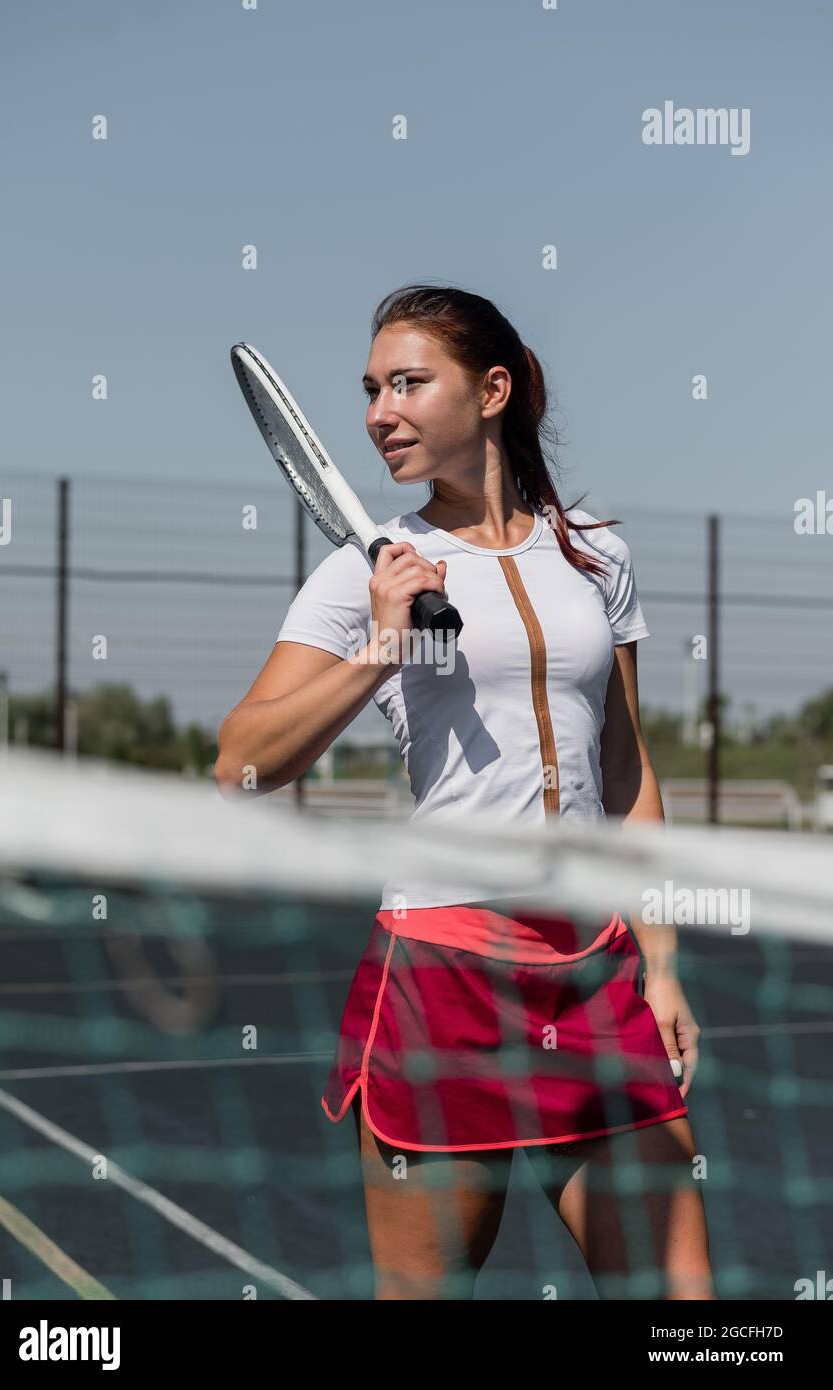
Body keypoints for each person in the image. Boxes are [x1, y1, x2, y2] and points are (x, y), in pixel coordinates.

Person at [215, 283, 715, 1301]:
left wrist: (660, 965)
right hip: (442, 980)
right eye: (368, 390)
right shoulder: (368, 576)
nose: (376, 413)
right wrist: (380, 650)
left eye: (407, 383)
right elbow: (240, 765)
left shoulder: (596, 554)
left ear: (492, 391)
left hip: (595, 974)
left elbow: (626, 768)